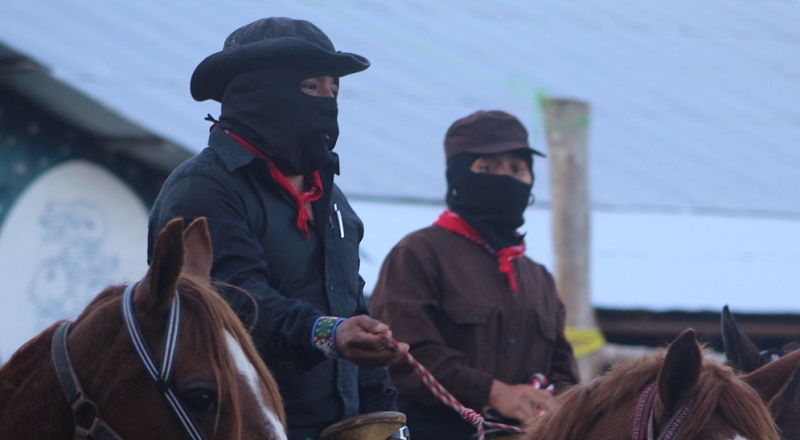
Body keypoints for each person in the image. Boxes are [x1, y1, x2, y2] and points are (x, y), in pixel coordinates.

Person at [147, 17, 407, 440]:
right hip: (241, 428)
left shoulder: (332, 200)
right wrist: (328, 333)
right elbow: (234, 301)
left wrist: (386, 417)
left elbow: (351, 310)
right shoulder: (203, 189)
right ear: (260, 92)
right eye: (311, 87)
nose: (326, 101)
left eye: (333, 89)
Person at [369, 110, 580, 439]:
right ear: (458, 177)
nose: (506, 178)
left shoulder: (538, 278)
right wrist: (493, 392)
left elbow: (564, 375)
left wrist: (553, 404)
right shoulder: (417, 254)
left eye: (517, 168)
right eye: (488, 168)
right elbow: (405, 355)